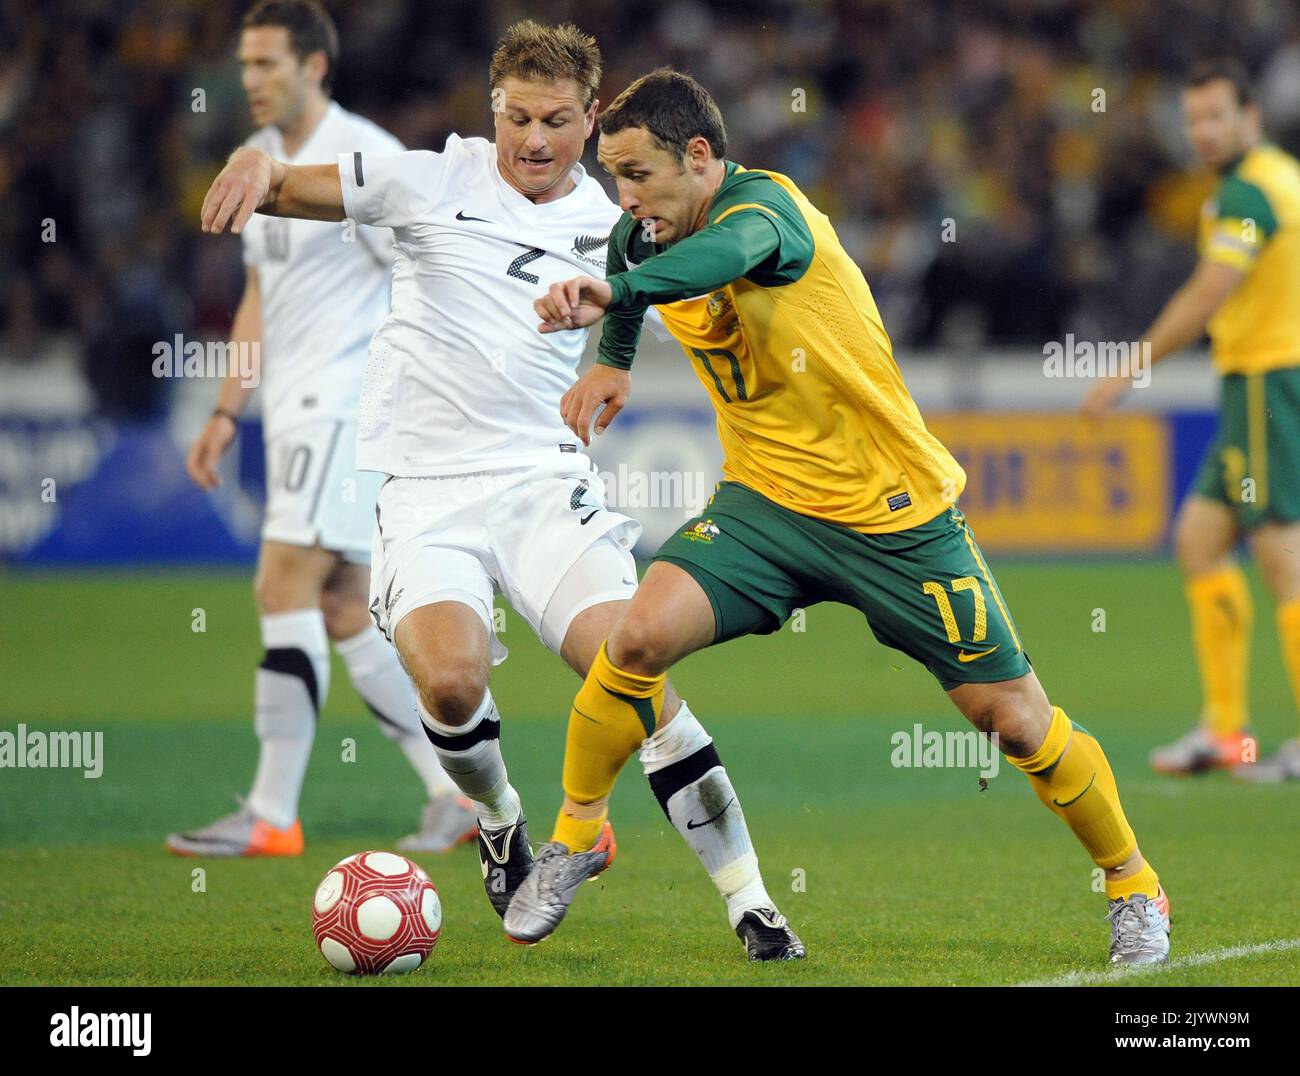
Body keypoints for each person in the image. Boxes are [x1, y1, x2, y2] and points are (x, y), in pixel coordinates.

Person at [508, 68, 1170, 966]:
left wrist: (619, 300)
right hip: (765, 507)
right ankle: (577, 835)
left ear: (700, 157)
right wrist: (615, 358)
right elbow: (633, 262)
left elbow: (713, 262)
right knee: (636, 637)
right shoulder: (644, 232)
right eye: (613, 176)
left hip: (892, 514)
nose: (625, 200)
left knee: (1012, 718)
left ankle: (1132, 884)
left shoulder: (765, 216)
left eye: (640, 175)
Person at [198, 23, 801, 957]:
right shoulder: (431, 179)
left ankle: (752, 902)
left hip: (543, 482)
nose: (533, 138)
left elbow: (681, 300)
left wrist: (616, 358)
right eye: (517, 116)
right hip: (427, 487)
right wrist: (250, 161)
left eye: (556, 121)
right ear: (493, 111)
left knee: (632, 670)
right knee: (449, 681)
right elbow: (288, 182)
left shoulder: (618, 227)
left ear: (591, 119)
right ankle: (501, 819)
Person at [169, 0, 475, 858]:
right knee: (343, 606)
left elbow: (425, 276)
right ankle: (455, 795)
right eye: (245, 65)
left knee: (281, 587)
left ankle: (271, 813)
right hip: (292, 408)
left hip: (344, 408)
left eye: (268, 63)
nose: (251, 80)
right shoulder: (261, 162)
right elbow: (260, 297)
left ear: (315, 67)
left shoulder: (366, 160)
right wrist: (228, 410)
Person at [1084, 59, 1300, 783]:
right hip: (1253, 385)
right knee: (1200, 541)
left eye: (1216, 117)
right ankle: (1225, 733)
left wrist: (1127, 369)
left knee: (1282, 559)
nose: (1203, 132)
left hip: (1273, 382)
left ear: (1250, 117)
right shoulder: (1272, 180)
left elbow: (1210, 292)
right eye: (1193, 120)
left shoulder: (1249, 193)